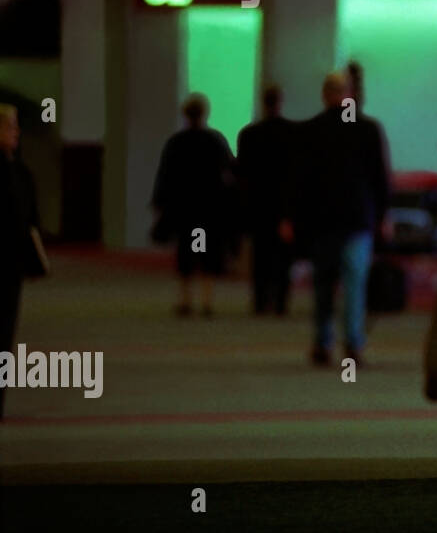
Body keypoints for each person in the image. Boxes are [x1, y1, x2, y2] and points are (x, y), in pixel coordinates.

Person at [285, 71, 391, 367]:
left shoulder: (311, 130)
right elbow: (380, 178)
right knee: (354, 284)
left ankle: (323, 342)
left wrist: (292, 217)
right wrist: (383, 216)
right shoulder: (368, 129)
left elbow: (299, 181)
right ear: (352, 94)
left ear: (325, 94)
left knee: (323, 286)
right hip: (358, 219)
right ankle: (353, 346)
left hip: (323, 221)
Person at [151, 93, 235, 317]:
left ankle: (185, 300)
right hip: (209, 207)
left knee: (185, 254)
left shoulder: (176, 142)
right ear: (205, 113)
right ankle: (207, 301)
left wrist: (159, 203)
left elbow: (165, 175)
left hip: (185, 208)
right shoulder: (216, 140)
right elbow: (229, 172)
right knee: (209, 254)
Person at [236, 85, 295, 315]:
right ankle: (281, 302)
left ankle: (261, 301)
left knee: (261, 257)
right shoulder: (291, 133)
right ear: (280, 102)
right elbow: (294, 173)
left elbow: (243, 174)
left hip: (258, 204)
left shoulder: (249, 134)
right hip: (282, 205)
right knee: (283, 258)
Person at [0, 103, 43, 421]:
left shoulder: (19, 170)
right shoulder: (14, 173)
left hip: (10, 269)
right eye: (9, 126)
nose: (16, 132)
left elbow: (30, 220)